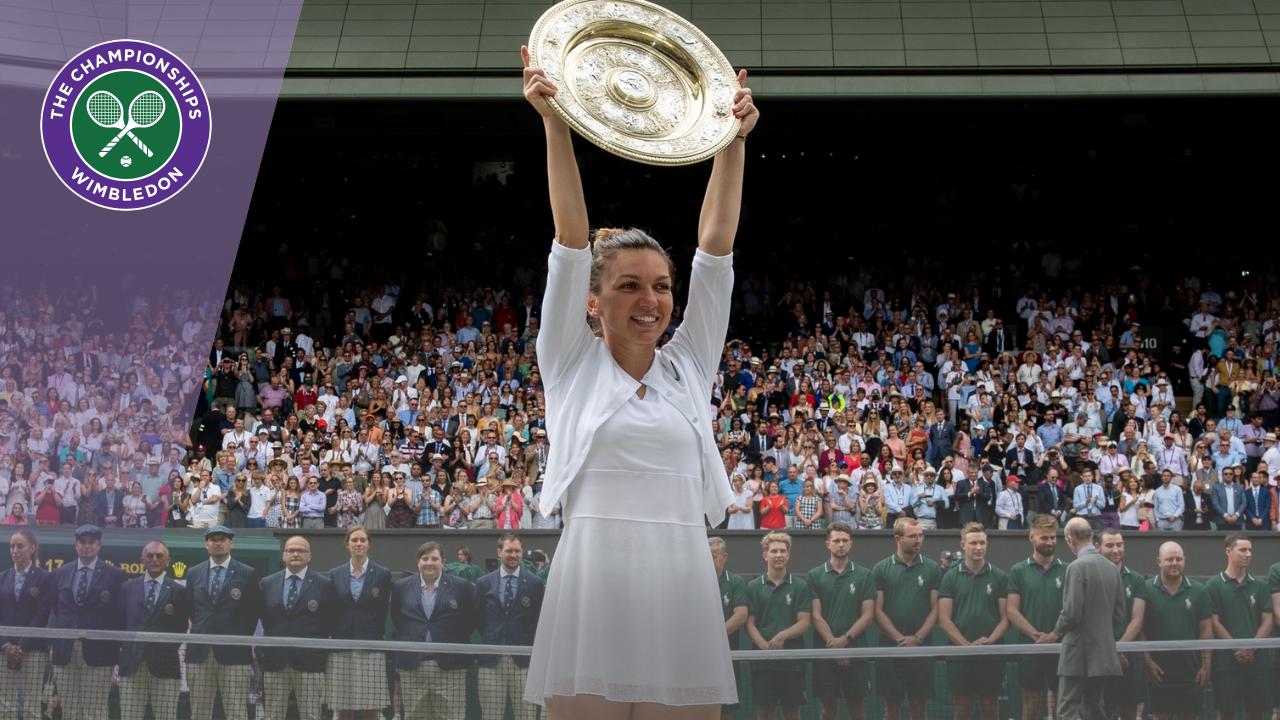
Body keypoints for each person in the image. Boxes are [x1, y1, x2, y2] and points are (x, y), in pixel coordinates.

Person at [519, 40, 758, 718]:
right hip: (593, 582)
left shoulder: (689, 366)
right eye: (628, 286)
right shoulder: (568, 362)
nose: (649, 300)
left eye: (659, 286)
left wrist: (730, 139)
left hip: (680, 583)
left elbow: (715, 250)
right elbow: (570, 241)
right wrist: (554, 122)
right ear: (593, 302)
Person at [1044, 517, 1125, 720]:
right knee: (1094, 708)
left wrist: (1055, 632)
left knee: (1067, 710)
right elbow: (1119, 615)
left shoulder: (1076, 567)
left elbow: (1071, 612)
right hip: (1103, 653)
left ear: (1069, 539)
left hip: (1076, 653)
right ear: (1091, 536)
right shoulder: (1112, 569)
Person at [391, 542, 477, 720]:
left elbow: (469, 622)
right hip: (413, 667)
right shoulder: (401, 587)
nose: (429, 563)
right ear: (418, 562)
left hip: (450, 668)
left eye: (434, 559)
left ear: (443, 562)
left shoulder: (462, 587)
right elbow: (398, 620)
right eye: (425, 558)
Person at [50, 525, 126, 720]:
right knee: (70, 710)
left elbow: (119, 616)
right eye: (82, 542)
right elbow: (59, 611)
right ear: (76, 545)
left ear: (99, 545)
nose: (86, 546)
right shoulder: (60, 573)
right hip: (65, 651)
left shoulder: (115, 575)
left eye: (91, 542)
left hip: (99, 653)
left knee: (95, 710)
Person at [187, 525, 261, 720]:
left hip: (235, 653)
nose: (217, 543)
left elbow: (252, 613)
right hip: (200, 652)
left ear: (231, 543)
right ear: (206, 544)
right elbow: (191, 611)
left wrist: (234, 636)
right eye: (213, 539)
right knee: (199, 712)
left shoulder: (247, 573)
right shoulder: (193, 573)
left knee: (236, 711)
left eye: (222, 539)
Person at [259, 536, 337, 720]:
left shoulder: (324, 585)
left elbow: (329, 622)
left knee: (311, 714)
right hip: (275, 661)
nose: (295, 553)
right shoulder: (267, 583)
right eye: (291, 550)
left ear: (309, 556)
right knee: (273, 715)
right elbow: (265, 618)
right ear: (283, 555)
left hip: (309, 662)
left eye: (301, 550)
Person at [938, 522, 1008, 720]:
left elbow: (1005, 618)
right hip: (960, 655)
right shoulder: (950, 577)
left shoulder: (1000, 576)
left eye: (982, 543)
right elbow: (944, 619)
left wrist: (990, 641)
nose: (978, 547)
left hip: (991, 654)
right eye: (973, 543)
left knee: (990, 705)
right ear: (963, 545)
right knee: (962, 707)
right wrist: (966, 646)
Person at [872, 518, 941, 720]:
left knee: (919, 708)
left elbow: (936, 609)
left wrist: (918, 638)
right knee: (891, 708)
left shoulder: (932, 568)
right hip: (890, 648)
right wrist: (898, 639)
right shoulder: (881, 568)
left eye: (921, 536)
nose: (918, 540)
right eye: (912, 536)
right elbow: (876, 610)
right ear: (898, 538)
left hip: (922, 648)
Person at [118, 540, 193, 720]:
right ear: (142, 559)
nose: (154, 559)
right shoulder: (127, 588)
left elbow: (181, 628)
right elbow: (121, 623)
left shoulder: (179, 591)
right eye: (150, 555)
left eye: (159, 556)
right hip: (132, 665)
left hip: (166, 666)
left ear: (168, 560)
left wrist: (161, 648)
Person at [807, 523, 874, 720]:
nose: (841, 544)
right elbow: (816, 615)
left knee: (857, 710)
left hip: (856, 651)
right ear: (828, 544)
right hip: (825, 653)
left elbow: (868, 615)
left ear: (851, 544)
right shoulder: (814, 575)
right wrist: (834, 646)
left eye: (845, 540)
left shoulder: (865, 575)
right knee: (827, 710)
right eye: (836, 540)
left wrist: (844, 642)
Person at [475, 534, 545, 720]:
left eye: (517, 551)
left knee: (526, 715)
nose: (513, 555)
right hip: (491, 661)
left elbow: (538, 620)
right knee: (491, 715)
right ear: (499, 552)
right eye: (509, 551)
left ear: (522, 553)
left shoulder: (535, 583)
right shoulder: (483, 583)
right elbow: (479, 619)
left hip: (523, 662)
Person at [1139, 541, 1212, 720]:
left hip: (1190, 671)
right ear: (1159, 561)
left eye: (1178, 559)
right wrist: (1148, 662)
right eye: (1169, 559)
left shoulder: (1199, 590)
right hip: (1158, 672)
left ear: (1184, 561)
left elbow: (1206, 630)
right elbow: (1140, 629)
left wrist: (1206, 665)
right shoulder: (1145, 589)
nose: (1174, 563)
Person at [327, 526, 392, 720]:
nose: (358, 543)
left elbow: (382, 611)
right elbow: (331, 608)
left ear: (369, 544)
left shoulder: (382, 574)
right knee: (343, 706)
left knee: (372, 707)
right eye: (354, 540)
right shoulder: (334, 574)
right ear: (347, 544)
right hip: (341, 646)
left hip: (370, 646)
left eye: (363, 540)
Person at [1205, 534, 1272, 720]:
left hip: (1257, 661)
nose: (1248, 554)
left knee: (1256, 712)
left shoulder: (1260, 585)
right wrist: (1236, 647)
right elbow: (1214, 621)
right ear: (1228, 551)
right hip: (1226, 662)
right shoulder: (1214, 585)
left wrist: (1252, 647)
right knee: (1226, 712)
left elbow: (1267, 619)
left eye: (1250, 550)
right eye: (1243, 550)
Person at [1005, 514, 1066, 720]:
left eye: (1053, 537)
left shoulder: (1068, 570)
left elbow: (1073, 610)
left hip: (1062, 648)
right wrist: (1036, 636)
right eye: (1044, 538)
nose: (1050, 542)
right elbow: (1012, 611)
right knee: (1030, 704)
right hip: (1030, 648)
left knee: (1062, 704)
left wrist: (1055, 635)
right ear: (1032, 537)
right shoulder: (1018, 571)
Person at [745, 532, 810, 720]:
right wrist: (764, 646)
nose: (779, 554)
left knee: (792, 712)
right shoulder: (753, 586)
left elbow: (804, 622)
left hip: (792, 661)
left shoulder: (800, 586)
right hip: (763, 663)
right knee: (765, 712)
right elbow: (749, 623)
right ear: (765, 555)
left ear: (788, 555)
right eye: (774, 551)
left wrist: (783, 636)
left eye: (783, 551)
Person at [0, 529, 54, 720]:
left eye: (19, 546)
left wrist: (20, 647)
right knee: (5, 705)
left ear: (32, 548)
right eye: (12, 546)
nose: (15, 550)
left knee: (32, 705)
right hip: (4, 651)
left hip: (34, 651)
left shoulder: (45, 578)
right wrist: (6, 647)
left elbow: (41, 616)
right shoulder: (2, 577)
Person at [1096, 528, 1148, 720]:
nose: (1116, 550)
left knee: (1129, 710)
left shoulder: (1136, 579)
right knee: (1103, 711)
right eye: (1110, 545)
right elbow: (1093, 620)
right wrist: (1111, 651)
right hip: (1099, 657)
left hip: (1129, 658)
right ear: (1097, 547)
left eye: (1119, 545)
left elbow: (1138, 619)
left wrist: (1120, 649)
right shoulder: (1092, 578)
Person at [710, 537, 748, 720]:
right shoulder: (693, 581)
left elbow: (741, 615)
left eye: (713, 556)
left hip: (727, 656)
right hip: (699, 659)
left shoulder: (735, 582)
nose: (708, 560)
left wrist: (715, 639)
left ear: (724, 557)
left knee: (725, 711)